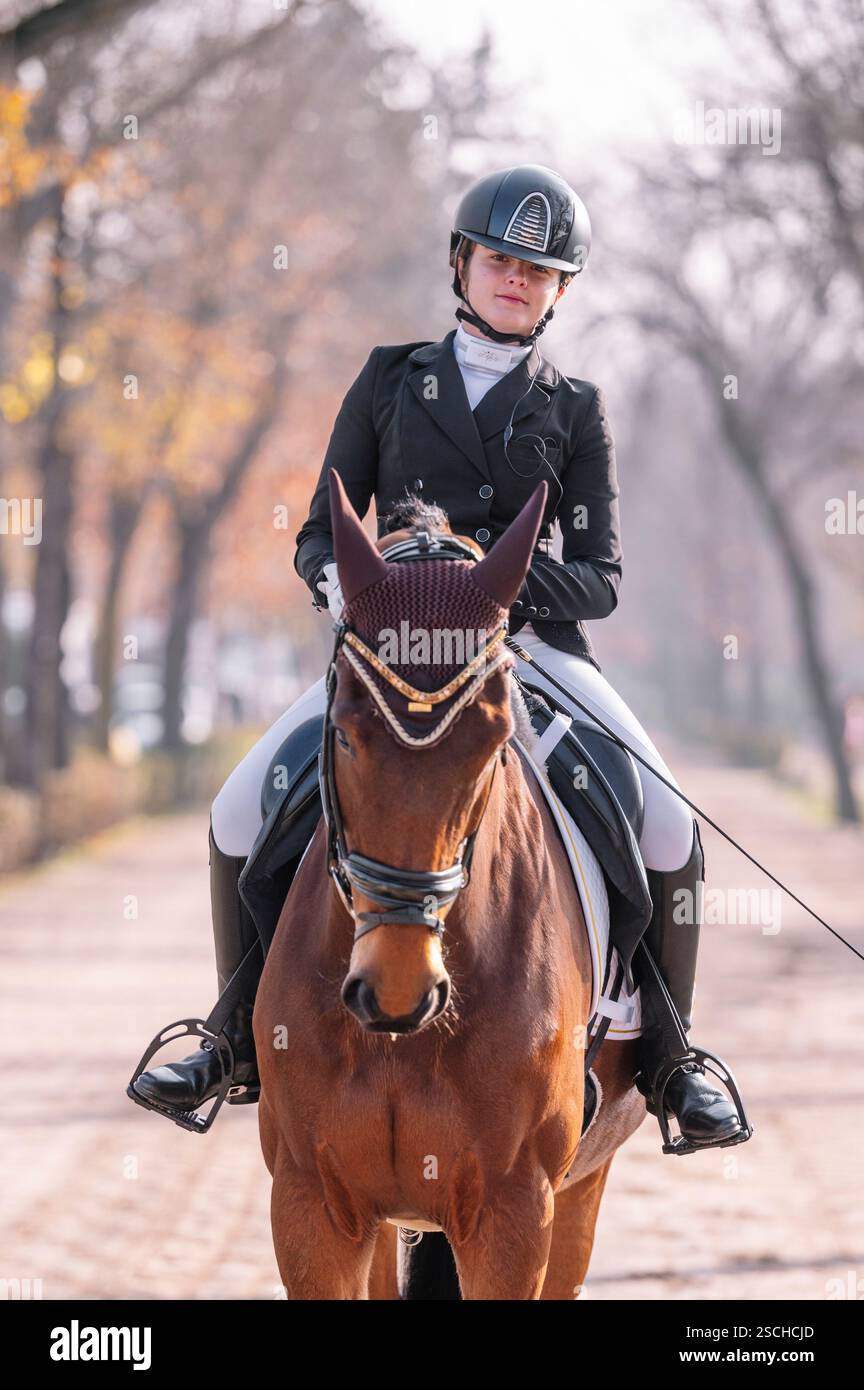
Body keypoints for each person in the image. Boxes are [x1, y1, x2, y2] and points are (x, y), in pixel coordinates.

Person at [130, 164, 749, 1152]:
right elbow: (317, 533)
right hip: (386, 653)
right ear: (462, 264)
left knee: (670, 826)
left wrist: (484, 591)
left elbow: (599, 576)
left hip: (526, 654)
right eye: (500, 260)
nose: (515, 280)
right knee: (242, 807)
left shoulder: (575, 408)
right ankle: (230, 1037)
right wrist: (347, 589)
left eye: (537, 271)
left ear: (559, 291)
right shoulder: (387, 378)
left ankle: (672, 1060)